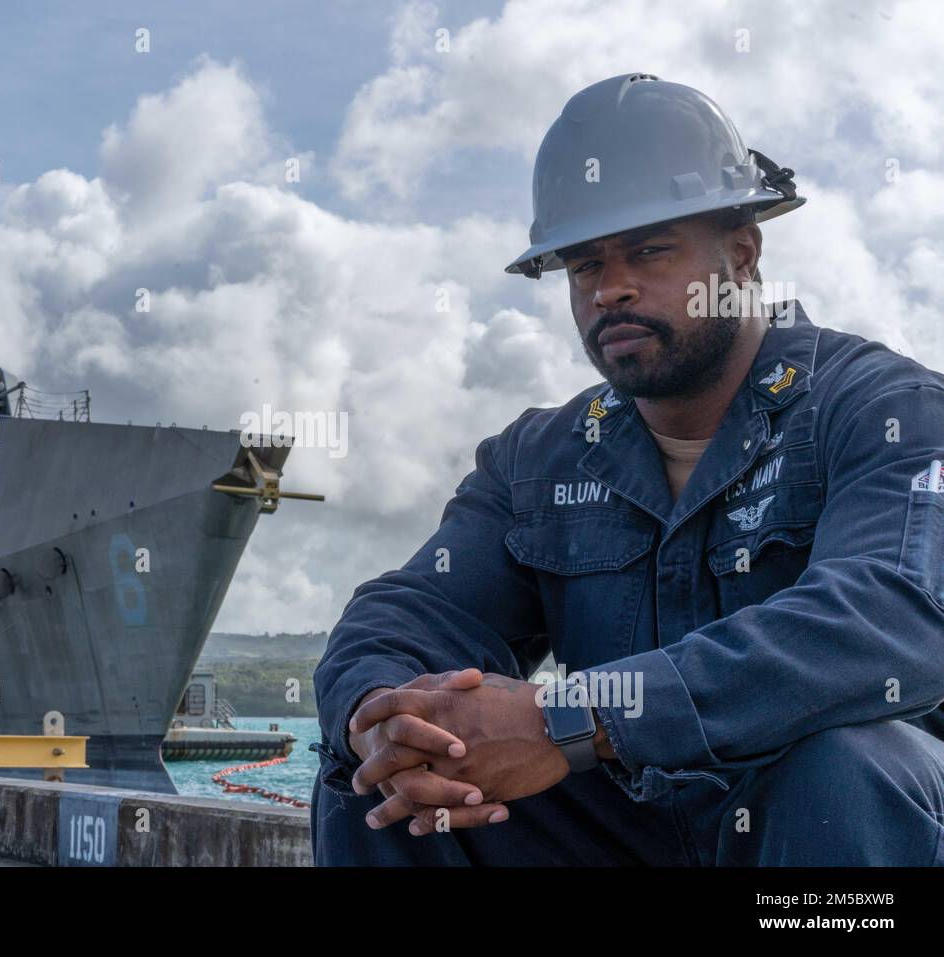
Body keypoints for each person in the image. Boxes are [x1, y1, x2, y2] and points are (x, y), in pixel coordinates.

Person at [311, 73, 944, 866]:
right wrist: (382, 714)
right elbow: (408, 611)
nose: (611, 287)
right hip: (634, 828)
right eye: (583, 265)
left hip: (818, 828)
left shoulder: (885, 409)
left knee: (852, 767)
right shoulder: (539, 459)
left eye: (648, 251)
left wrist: (572, 719)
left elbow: (894, 616)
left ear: (743, 254)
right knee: (390, 782)